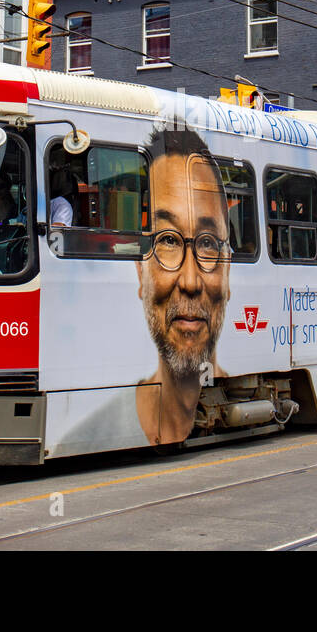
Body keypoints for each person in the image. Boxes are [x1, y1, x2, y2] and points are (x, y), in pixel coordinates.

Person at [134, 125, 231, 446]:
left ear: (228, 269)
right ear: (140, 271)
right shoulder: (91, 425)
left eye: (207, 244)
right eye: (168, 241)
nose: (190, 281)